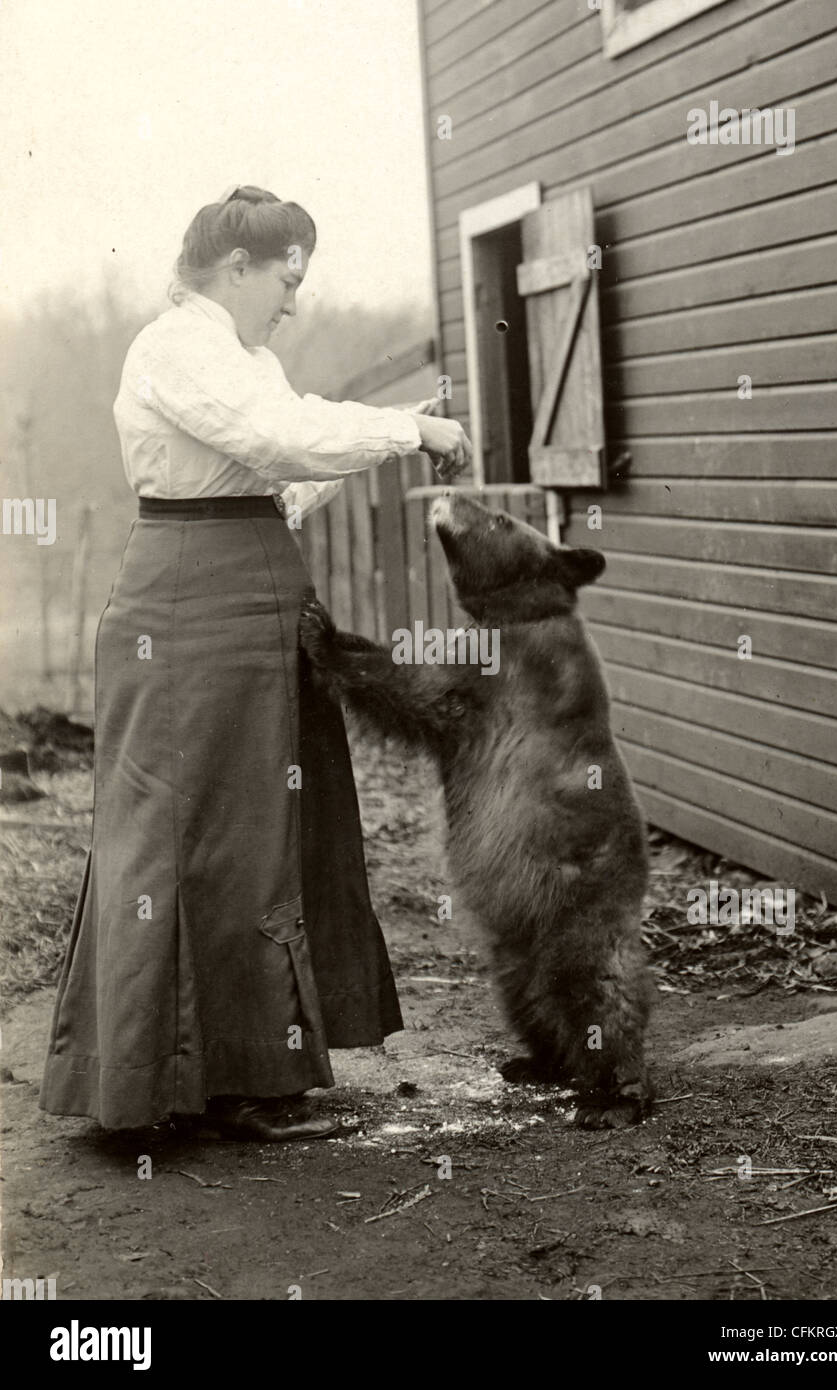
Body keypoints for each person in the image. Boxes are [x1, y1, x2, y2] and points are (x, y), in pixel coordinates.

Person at [39, 185, 471, 1141]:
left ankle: (247, 1074)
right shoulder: (174, 346)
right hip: (190, 608)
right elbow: (276, 437)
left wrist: (397, 424)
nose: (292, 297)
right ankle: (190, 1085)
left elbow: (275, 474)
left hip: (250, 590)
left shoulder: (244, 360)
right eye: (286, 276)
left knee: (260, 832)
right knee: (206, 837)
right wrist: (408, 431)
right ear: (236, 266)